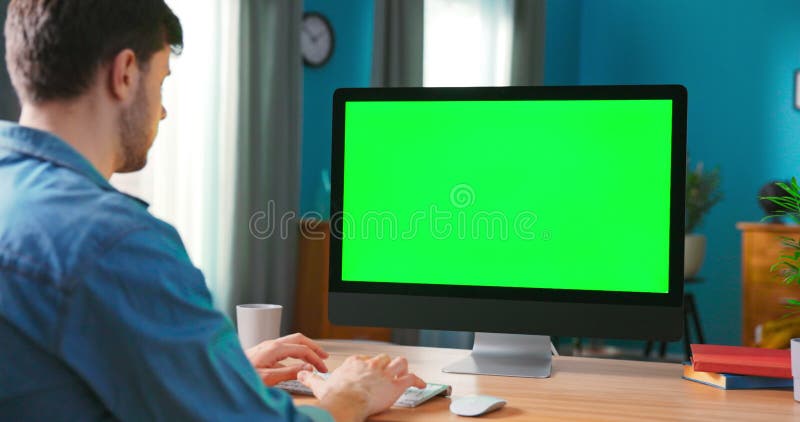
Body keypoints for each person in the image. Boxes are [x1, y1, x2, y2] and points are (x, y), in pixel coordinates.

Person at [0, 1, 424, 421]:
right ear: (126, 72)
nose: (162, 110)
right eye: (161, 81)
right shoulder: (115, 243)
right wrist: (350, 395)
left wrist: (214, 372)